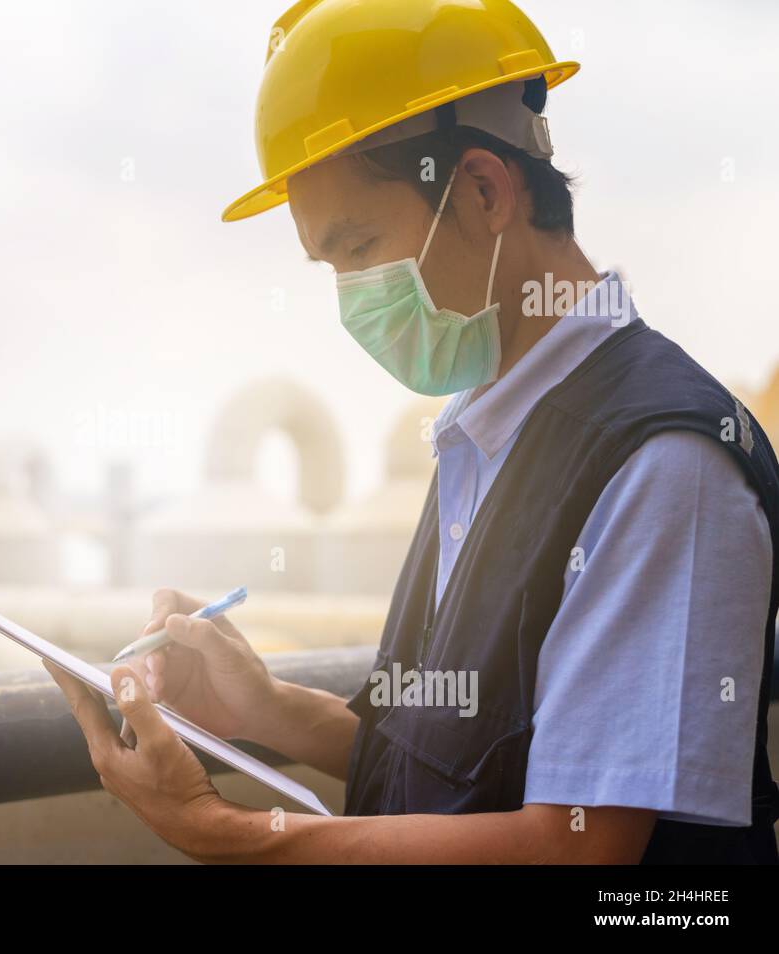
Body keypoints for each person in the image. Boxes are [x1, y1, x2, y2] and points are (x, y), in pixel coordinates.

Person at [45, 0, 779, 863]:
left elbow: (578, 848)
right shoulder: (488, 429)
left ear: (481, 190)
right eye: (330, 267)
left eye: (357, 249)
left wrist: (234, 836)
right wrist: (268, 708)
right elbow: (460, 774)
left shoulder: (661, 460)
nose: (353, 299)